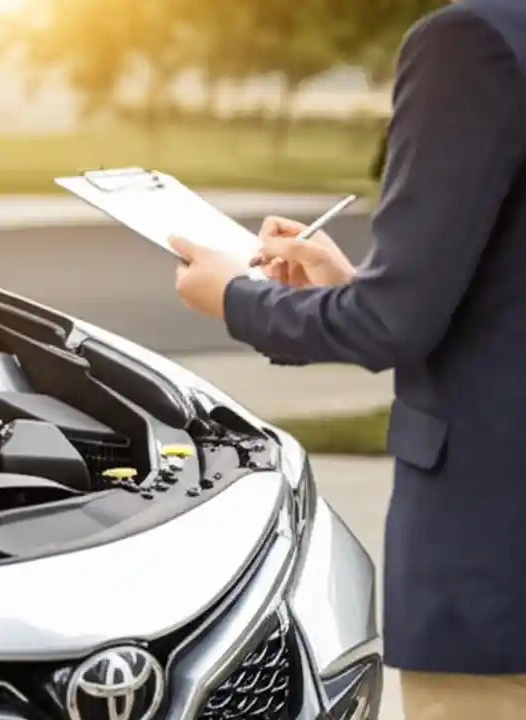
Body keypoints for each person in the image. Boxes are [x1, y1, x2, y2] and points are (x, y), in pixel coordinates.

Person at [170, 0, 526, 717]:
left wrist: (235, 298)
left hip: (497, 556)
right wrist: (358, 286)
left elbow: (392, 324)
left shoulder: (473, 41)